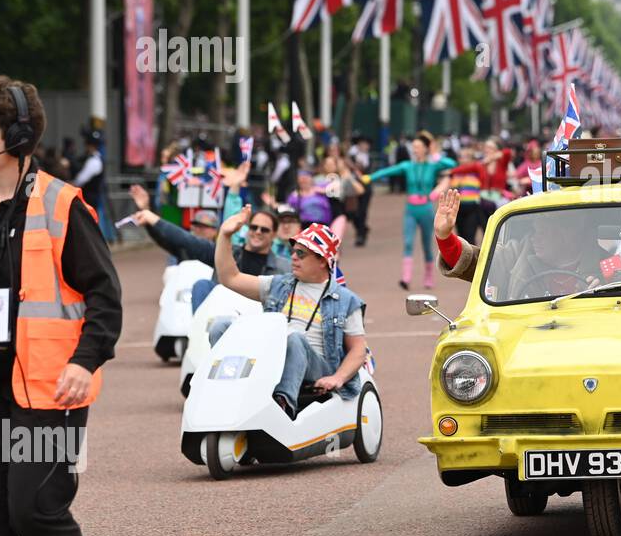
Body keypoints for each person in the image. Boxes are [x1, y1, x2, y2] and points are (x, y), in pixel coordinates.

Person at [0, 77, 123, 536]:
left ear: (15, 136)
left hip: (48, 385)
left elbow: (105, 295)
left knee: (32, 510)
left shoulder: (60, 203)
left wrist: (84, 362)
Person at [209, 210, 368, 420]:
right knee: (221, 325)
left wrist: (337, 378)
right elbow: (229, 277)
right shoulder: (278, 285)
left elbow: (358, 350)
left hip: (318, 366)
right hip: (271, 354)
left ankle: (282, 406)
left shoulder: (346, 300)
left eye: (301, 253)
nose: (293, 257)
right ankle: (221, 392)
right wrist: (225, 235)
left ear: (322, 261)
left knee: (294, 339)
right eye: (293, 251)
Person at [433, 189, 609, 298]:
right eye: (533, 230)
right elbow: (473, 263)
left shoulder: (607, 265)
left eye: (542, 231)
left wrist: (605, 292)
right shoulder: (516, 256)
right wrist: (445, 237)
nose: (534, 237)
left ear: (568, 233)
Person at [129, 198, 289, 311]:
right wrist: (153, 219)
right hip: (220, 316)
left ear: (274, 234)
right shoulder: (226, 252)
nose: (258, 232)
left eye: (264, 229)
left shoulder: (284, 267)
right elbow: (185, 240)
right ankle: (198, 341)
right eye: (254, 227)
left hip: (258, 320)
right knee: (202, 285)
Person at [365, 132, 454, 289]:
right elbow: (388, 171)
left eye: (418, 147)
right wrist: (370, 177)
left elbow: (452, 164)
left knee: (427, 245)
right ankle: (406, 279)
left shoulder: (432, 165)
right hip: (410, 209)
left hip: (426, 209)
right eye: (413, 147)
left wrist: (435, 155)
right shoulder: (407, 166)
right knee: (407, 243)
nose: (415, 150)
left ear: (425, 149)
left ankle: (428, 278)